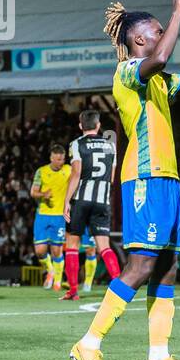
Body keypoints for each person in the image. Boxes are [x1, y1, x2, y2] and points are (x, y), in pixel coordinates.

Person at [71, 0, 180, 360]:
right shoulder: (128, 71)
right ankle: (88, 344)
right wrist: (178, 11)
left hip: (168, 179)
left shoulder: (159, 81)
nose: (164, 37)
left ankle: (159, 357)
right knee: (141, 264)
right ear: (138, 39)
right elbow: (161, 60)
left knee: (165, 267)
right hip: (144, 177)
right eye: (158, 32)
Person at [62, 111, 119, 300]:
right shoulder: (110, 145)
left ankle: (73, 291)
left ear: (80, 126)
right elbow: (112, 175)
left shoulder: (77, 144)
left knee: (72, 244)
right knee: (104, 246)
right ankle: (119, 288)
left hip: (82, 200)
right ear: (98, 125)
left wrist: (66, 201)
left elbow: (76, 173)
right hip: (102, 200)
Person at [30, 145, 72, 290]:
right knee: (40, 251)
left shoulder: (68, 170)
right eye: (58, 159)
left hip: (59, 217)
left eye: (63, 159)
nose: (61, 162)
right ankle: (50, 270)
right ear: (51, 158)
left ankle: (57, 282)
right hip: (42, 215)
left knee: (57, 251)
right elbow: (33, 192)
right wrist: (43, 195)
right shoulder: (41, 172)